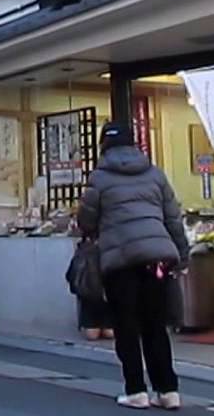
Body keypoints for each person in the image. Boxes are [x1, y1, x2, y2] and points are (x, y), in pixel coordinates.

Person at [78, 122, 190, 411]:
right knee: (155, 324)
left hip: (120, 261)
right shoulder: (155, 174)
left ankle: (136, 390)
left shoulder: (100, 177)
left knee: (126, 325)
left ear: (104, 146)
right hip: (157, 259)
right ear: (134, 144)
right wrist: (183, 256)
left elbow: (86, 221)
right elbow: (173, 219)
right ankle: (168, 391)